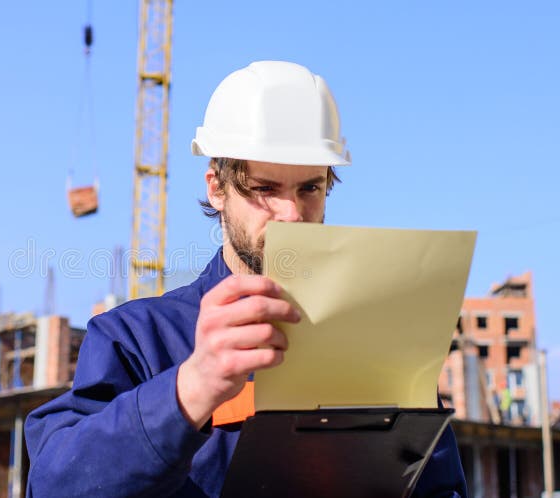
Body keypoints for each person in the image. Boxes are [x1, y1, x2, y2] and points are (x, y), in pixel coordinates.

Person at [25, 61, 468, 497]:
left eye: (309, 188)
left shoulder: (379, 344)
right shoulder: (136, 340)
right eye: (265, 189)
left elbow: (440, 487)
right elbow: (54, 484)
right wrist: (190, 388)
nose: (291, 214)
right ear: (217, 188)